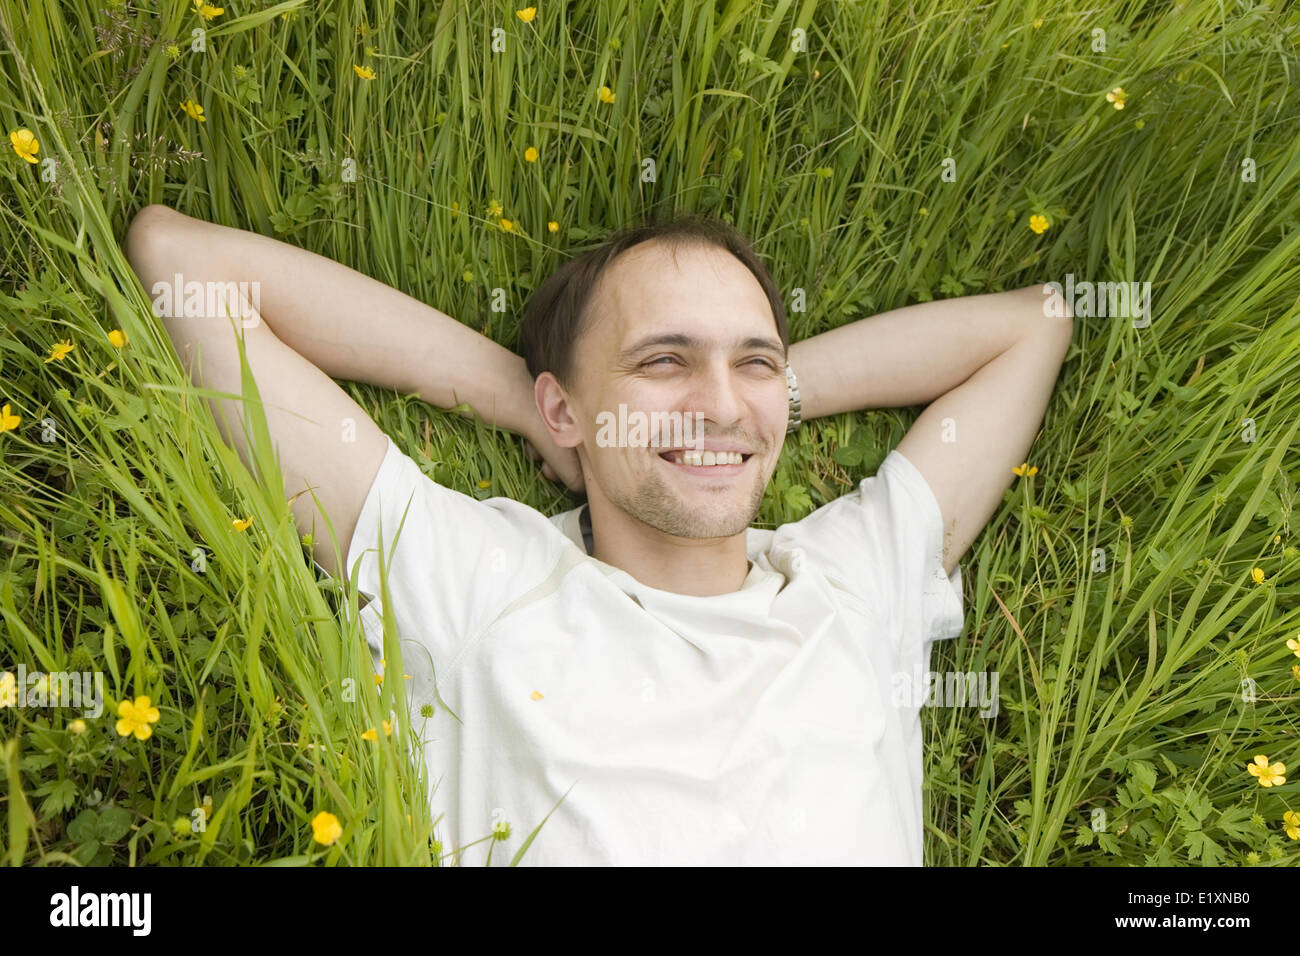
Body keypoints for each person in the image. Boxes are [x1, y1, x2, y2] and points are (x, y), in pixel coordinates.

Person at [124, 204, 1072, 864]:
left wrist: (740, 404)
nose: (719, 399)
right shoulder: (477, 582)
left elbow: (1037, 324)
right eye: (662, 359)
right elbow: (181, 265)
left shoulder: (854, 582)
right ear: (567, 404)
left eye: (754, 360)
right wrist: (540, 410)